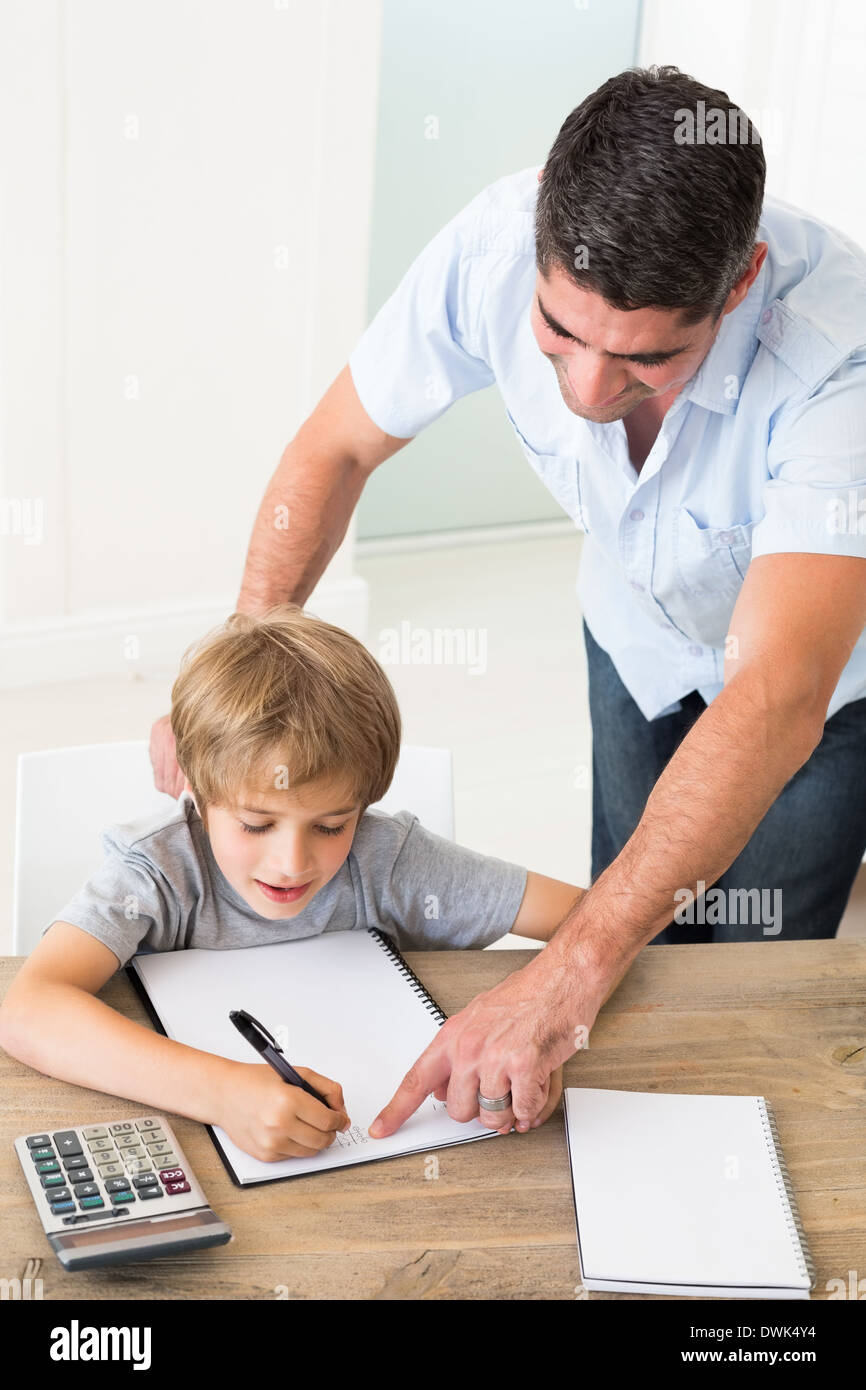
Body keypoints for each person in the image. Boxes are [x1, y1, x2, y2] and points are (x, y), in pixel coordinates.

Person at [150, 65, 866, 1140]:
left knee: (749, 971)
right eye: (557, 333)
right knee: (630, 929)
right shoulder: (490, 244)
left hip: (816, 701)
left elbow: (772, 695)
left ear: (739, 281)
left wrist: (562, 975)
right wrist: (237, 692)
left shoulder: (838, 360)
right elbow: (336, 446)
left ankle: (722, 1180)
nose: (582, 393)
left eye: (645, 358)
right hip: (632, 638)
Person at [0, 606, 587, 1161]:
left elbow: (590, 918)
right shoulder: (157, 870)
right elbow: (28, 1011)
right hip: (193, 1148)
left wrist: (542, 1018)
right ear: (199, 796)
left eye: (331, 825)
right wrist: (223, 1092)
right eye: (256, 824)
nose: (291, 863)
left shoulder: (389, 859)